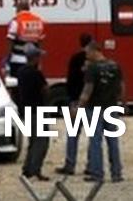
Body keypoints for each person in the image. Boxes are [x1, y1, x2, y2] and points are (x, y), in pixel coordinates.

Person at [80, 41, 125, 183]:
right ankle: (116, 173)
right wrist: (123, 102)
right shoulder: (115, 66)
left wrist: (80, 106)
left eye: (88, 53)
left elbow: (88, 89)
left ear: (95, 51)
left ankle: (97, 173)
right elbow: (122, 86)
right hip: (112, 108)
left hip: (95, 109)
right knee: (113, 142)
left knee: (95, 142)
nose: (87, 56)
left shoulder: (92, 69)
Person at [56, 33, 94, 176]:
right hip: (91, 102)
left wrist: (72, 100)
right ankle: (91, 165)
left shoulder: (75, 59)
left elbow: (70, 81)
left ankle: (70, 165)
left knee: (73, 134)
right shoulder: (96, 61)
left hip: (76, 101)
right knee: (93, 136)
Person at [17, 44, 51, 181]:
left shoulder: (21, 72)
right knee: (41, 141)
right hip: (39, 109)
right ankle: (35, 169)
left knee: (32, 141)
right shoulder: (36, 73)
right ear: (35, 58)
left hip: (26, 110)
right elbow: (45, 90)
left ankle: (26, 168)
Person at [6, 1, 46, 78]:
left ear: (19, 8)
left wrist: (7, 56)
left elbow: (10, 40)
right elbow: (40, 42)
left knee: (17, 83)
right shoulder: (38, 20)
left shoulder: (16, 20)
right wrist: (40, 61)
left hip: (17, 59)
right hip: (33, 61)